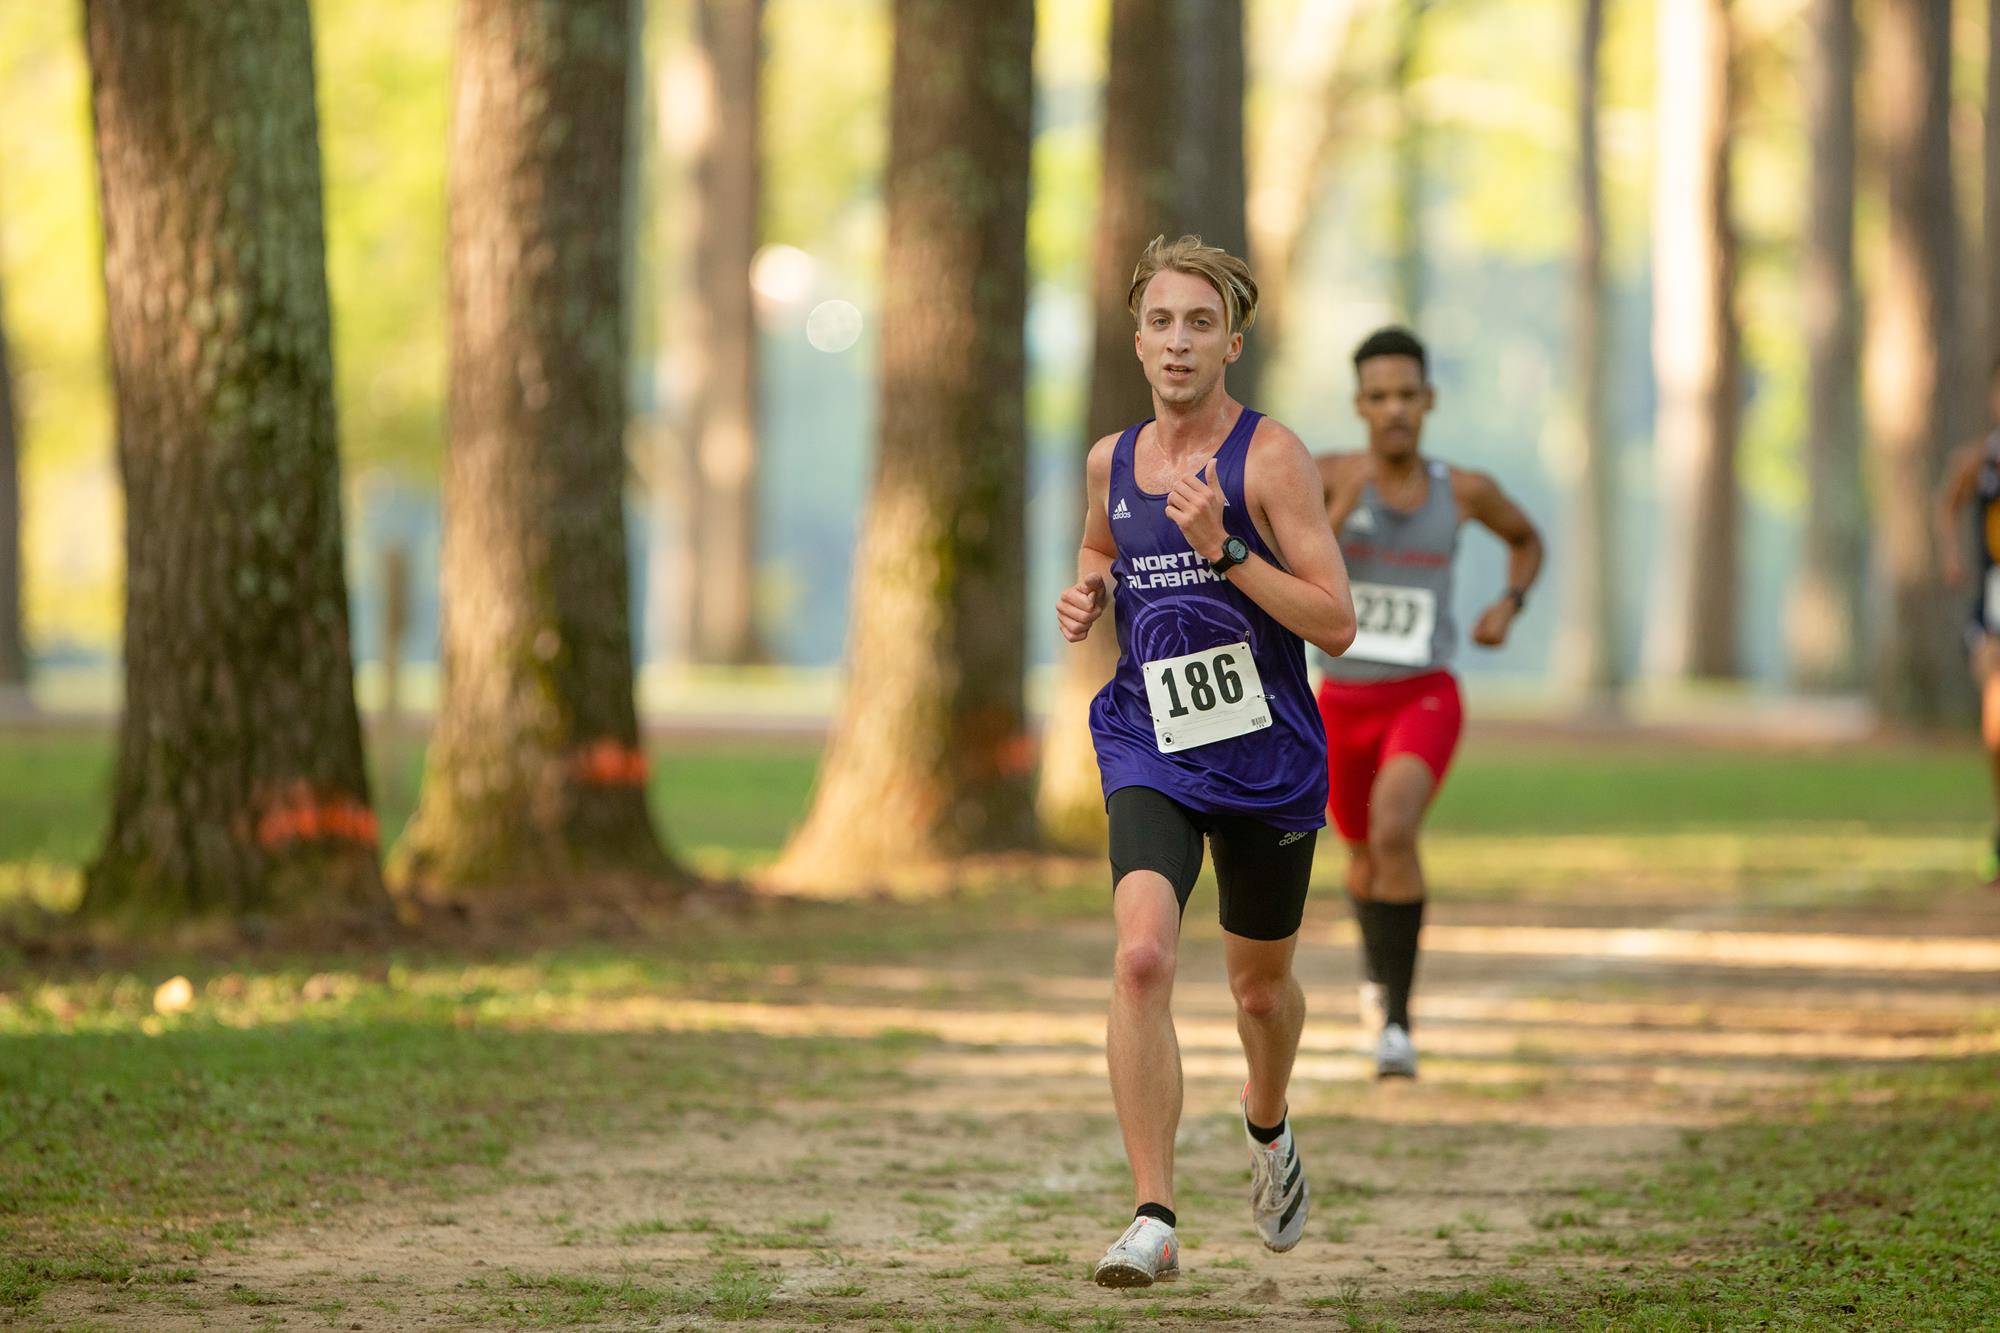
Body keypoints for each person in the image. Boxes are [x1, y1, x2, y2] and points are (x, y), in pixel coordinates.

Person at [1056, 235, 1355, 1287]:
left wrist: (1228, 544)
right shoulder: (1111, 459)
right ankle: (1152, 1216)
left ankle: (1267, 1125)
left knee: (1258, 993)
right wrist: (1088, 589)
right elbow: (1102, 542)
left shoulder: (1269, 459)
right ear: (1134, 341)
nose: (1176, 342)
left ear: (1232, 339)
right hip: (1149, 736)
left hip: (1265, 756)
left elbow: (1334, 623)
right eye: (1158, 323)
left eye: (1198, 323)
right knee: (1141, 954)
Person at [1313, 326, 1543, 1078]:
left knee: (1393, 826)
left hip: (1424, 695)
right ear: (1359, 404)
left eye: (1407, 395)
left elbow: (1526, 537)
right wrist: (1340, 509)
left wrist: (1509, 602)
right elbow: (1278, 553)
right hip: (1340, 699)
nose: (1394, 411)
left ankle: (1399, 1025)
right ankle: (1378, 979)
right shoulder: (1325, 476)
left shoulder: (1462, 489)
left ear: (1429, 400)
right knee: (1358, 854)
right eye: (1378, 397)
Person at [1934, 371, 2000, 885]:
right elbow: (1947, 503)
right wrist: (1953, 557)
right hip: (1995, 604)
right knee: (1996, 719)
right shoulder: (1981, 462)